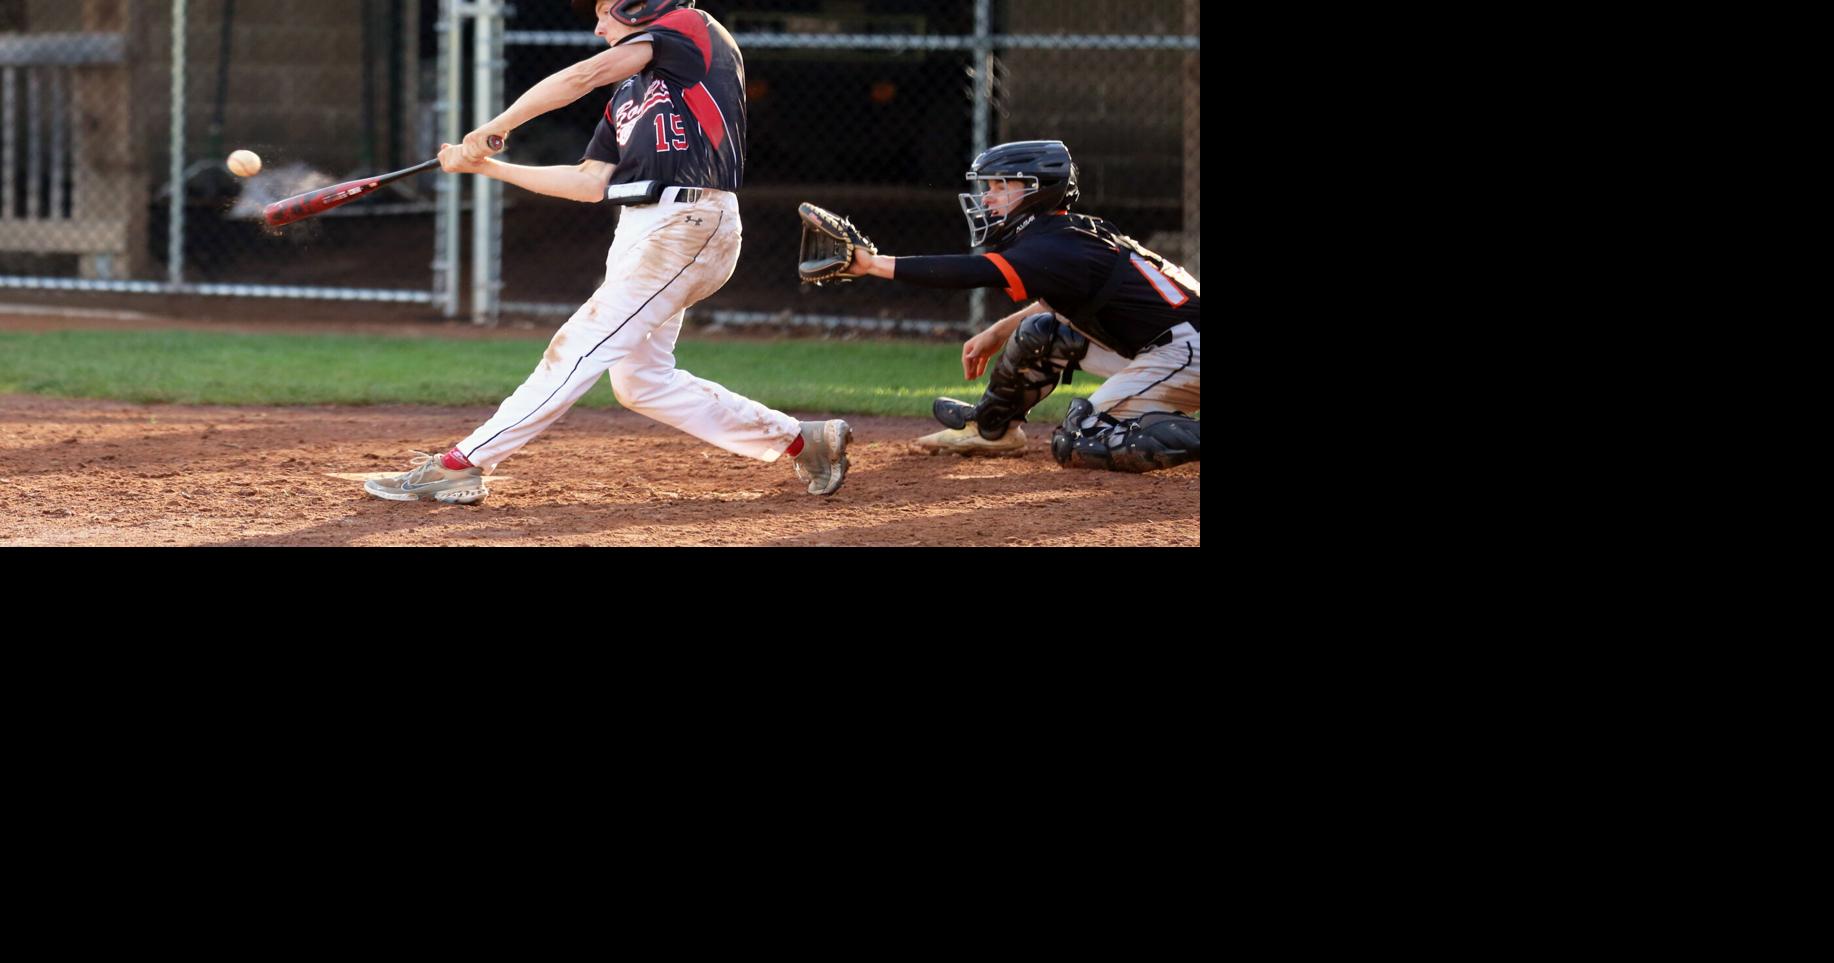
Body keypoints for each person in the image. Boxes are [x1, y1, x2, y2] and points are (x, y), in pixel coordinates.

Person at [363, 0, 850, 506]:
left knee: (577, 344)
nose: (598, 28)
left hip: (690, 220)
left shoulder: (690, 28)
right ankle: (803, 440)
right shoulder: (626, 97)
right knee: (641, 383)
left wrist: (496, 126)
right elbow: (588, 182)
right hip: (641, 231)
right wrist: (487, 168)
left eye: (604, 11)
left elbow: (583, 74)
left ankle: (461, 465)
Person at [838, 139, 1199, 473]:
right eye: (988, 186)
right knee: (1039, 335)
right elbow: (1058, 304)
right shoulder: (1062, 235)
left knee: (1079, 439)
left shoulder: (1056, 246)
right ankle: (993, 431)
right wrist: (998, 331)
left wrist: (874, 264)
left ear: (1036, 191)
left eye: (1001, 186)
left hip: (1187, 351)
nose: (988, 197)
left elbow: (971, 271)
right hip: (1167, 346)